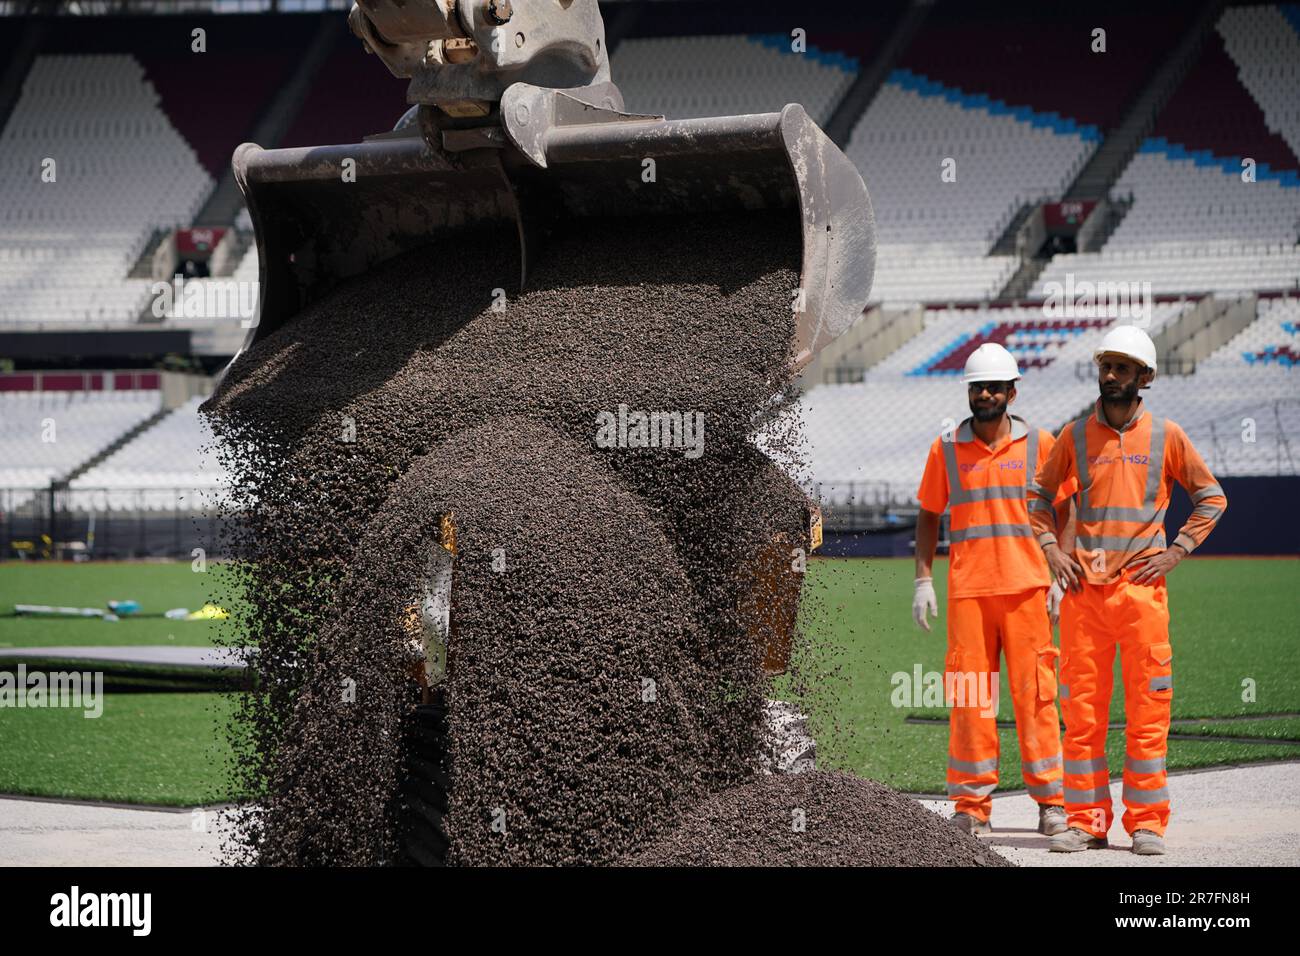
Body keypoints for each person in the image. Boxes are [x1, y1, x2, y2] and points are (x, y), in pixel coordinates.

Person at [1029, 326, 1226, 855]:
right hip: (1084, 598)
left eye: (1122, 367)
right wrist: (1051, 551)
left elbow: (1211, 497)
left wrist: (1176, 551)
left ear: (1146, 377)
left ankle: (1147, 823)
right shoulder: (1072, 437)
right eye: (1106, 366)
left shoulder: (1167, 436)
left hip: (1142, 595)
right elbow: (1038, 499)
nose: (1111, 375)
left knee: (1148, 715)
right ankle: (1087, 821)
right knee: (1083, 719)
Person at [914, 343, 1069, 837]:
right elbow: (928, 515)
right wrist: (923, 580)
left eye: (994, 387)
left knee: (1037, 699)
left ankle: (1051, 803)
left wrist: (1061, 576)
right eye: (977, 387)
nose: (985, 394)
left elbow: (1064, 510)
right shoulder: (945, 448)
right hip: (968, 595)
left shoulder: (1040, 444)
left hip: (1028, 591)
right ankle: (970, 805)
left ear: (1011, 391)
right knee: (970, 700)